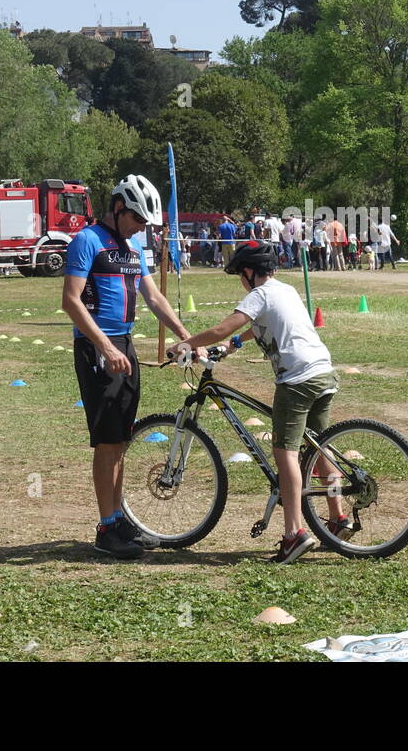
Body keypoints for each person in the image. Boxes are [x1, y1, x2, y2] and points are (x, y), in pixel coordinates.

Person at [175, 242, 346, 564]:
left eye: (241, 275)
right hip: (323, 372)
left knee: (286, 455)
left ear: (250, 272)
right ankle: (338, 519)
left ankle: (294, 534)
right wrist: (233, 345)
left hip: (297, 380)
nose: (242, 281)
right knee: (320, 450)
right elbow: (264, 325)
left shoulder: (259, 294)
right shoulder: (286, 290)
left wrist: (185, 344)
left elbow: (223, 327)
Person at [63, 174, 201, 561]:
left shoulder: (134, 246)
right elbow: (71, 302)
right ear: (119, 208)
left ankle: (118, 518)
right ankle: (107, 528)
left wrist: (185, 335)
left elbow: (153, 296)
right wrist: (104, 347)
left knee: (121, 438)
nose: (142, 228)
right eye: (138, 220)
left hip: (123, 346)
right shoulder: (87, 241)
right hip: (98, 349)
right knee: (106, 441)